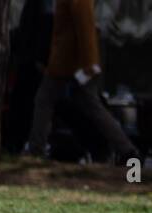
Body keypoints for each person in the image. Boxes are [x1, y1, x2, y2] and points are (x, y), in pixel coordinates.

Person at [26, 0, 137, 161]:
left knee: (44, 100)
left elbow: (85, 30)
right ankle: (126, 149)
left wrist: (89, 64)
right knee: (90, 104)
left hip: (69, 60)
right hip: (72, 60)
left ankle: (36, 150)